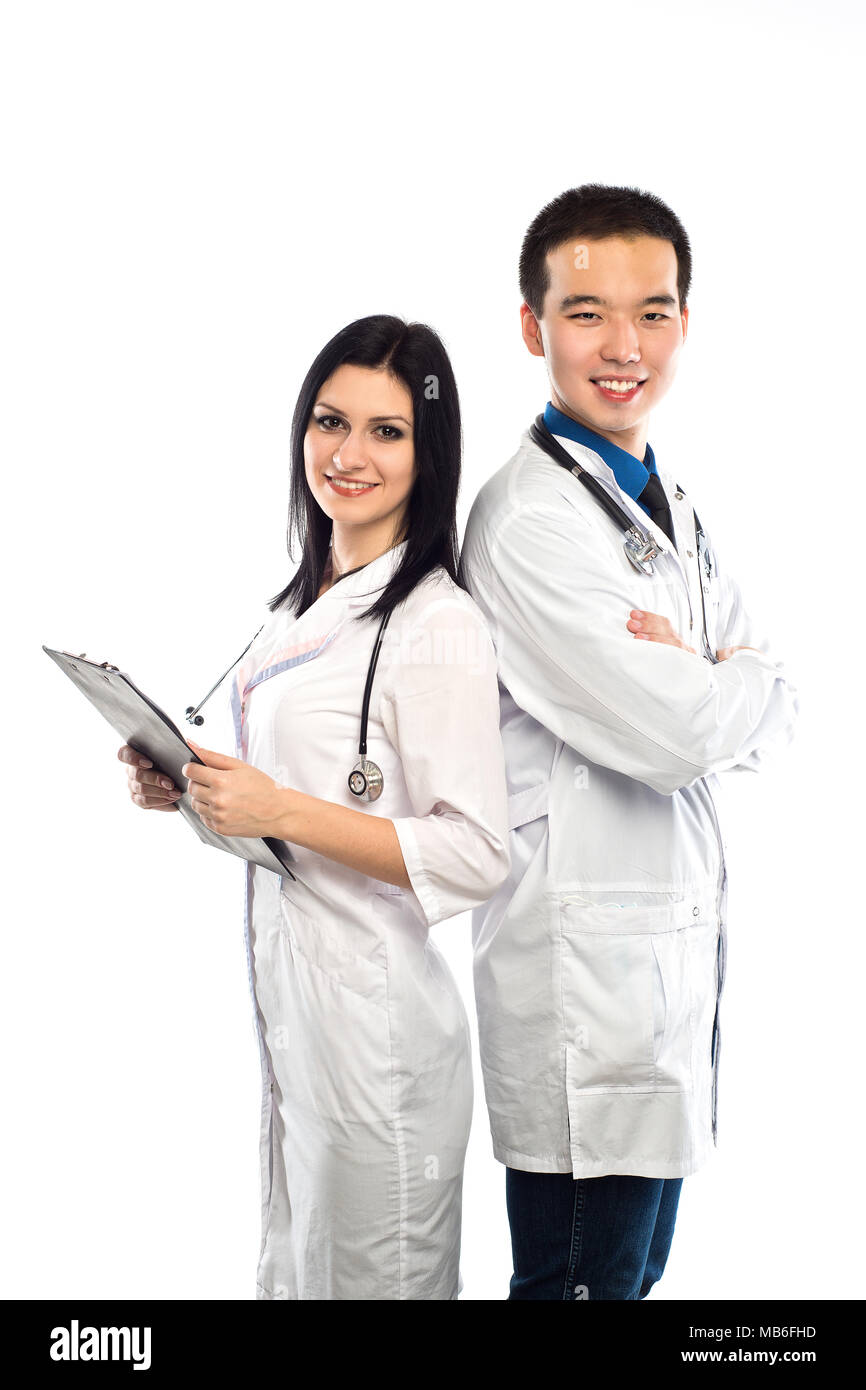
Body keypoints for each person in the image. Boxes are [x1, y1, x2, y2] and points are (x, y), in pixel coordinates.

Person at [117, 314, 510, 1300]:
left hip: (381, 1049)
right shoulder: (296, 608)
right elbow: (286, 822)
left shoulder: (435, 625)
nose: (347, 454)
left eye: (387, 431)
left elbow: (473, 853)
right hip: (302, 1025)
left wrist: (276, 805)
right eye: (330, 421)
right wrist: (194, 793)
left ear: (429, 453)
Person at [459, 183, 799, 1300]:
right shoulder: (527, 522)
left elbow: (781, 700)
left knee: (629, 1284)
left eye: (651, 313)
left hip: (653, 993)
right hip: (581, 1004)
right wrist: (713, 679)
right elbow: (677, 734)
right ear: (531, 326)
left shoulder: (667, 508)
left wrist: (721, 684)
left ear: (682, 326)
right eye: (585, 311)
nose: (622, 346)